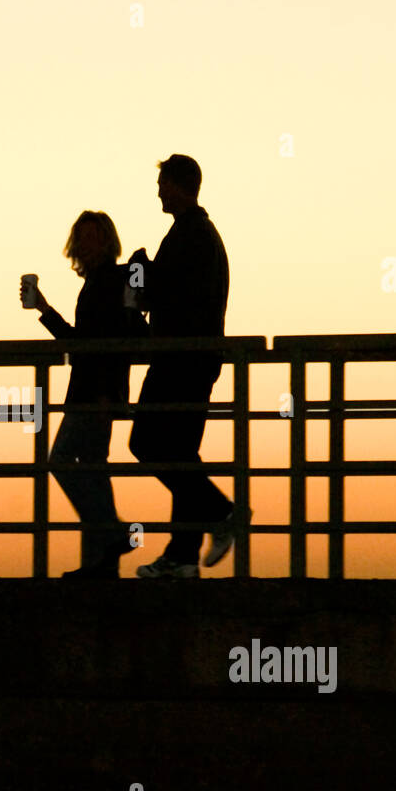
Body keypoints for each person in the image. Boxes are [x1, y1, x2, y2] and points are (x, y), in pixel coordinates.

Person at [126, 154, 249, 579]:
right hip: (195, 360)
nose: (158, 191)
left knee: (146, 443)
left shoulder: (190, 235)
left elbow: (162, 297)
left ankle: (224, 512)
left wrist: (141, 271)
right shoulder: (199, 234)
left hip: (181, 360)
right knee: (180, 454)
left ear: (179, 185)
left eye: (163, 183)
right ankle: (182, 556)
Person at [21, 211, 148, 578]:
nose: (86, 244)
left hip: (94, 392)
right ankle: (101, 565)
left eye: (93, 237)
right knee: (93, 470)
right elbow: (87, 341)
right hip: (95, 390)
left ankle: (114, 532)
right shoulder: (100, 282)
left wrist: (44, 310)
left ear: (106, 242)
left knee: (61, 459)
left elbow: (98, 343)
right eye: (83, 237)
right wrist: (44, 309)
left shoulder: (107, 281)